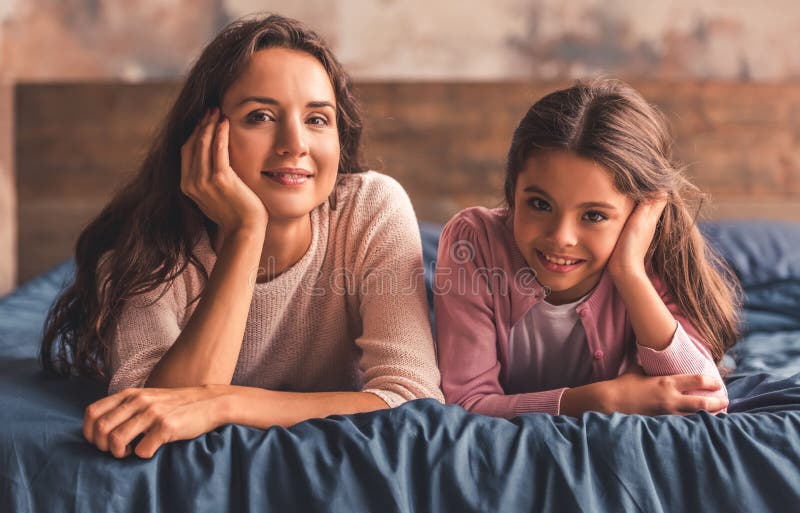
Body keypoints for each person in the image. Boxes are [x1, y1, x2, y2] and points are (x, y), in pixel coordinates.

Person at [40, 14, 443, 459]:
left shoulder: (372, 208)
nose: (295, 143)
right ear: (202, 137)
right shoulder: (145, 253)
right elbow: (150, 421)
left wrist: (226, 403)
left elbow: (411, 400)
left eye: (317, 119)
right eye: (261, 116)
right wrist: (245, 232)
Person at [434, 78, 739, 418]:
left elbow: (705, 399)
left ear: (640, 213)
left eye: (593, 215)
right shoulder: (474, 242)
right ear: (512, 191)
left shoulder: (648, 256)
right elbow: (465, 405)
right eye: (539, 204)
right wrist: (601, 401)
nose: (562, 236)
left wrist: (629, 272)